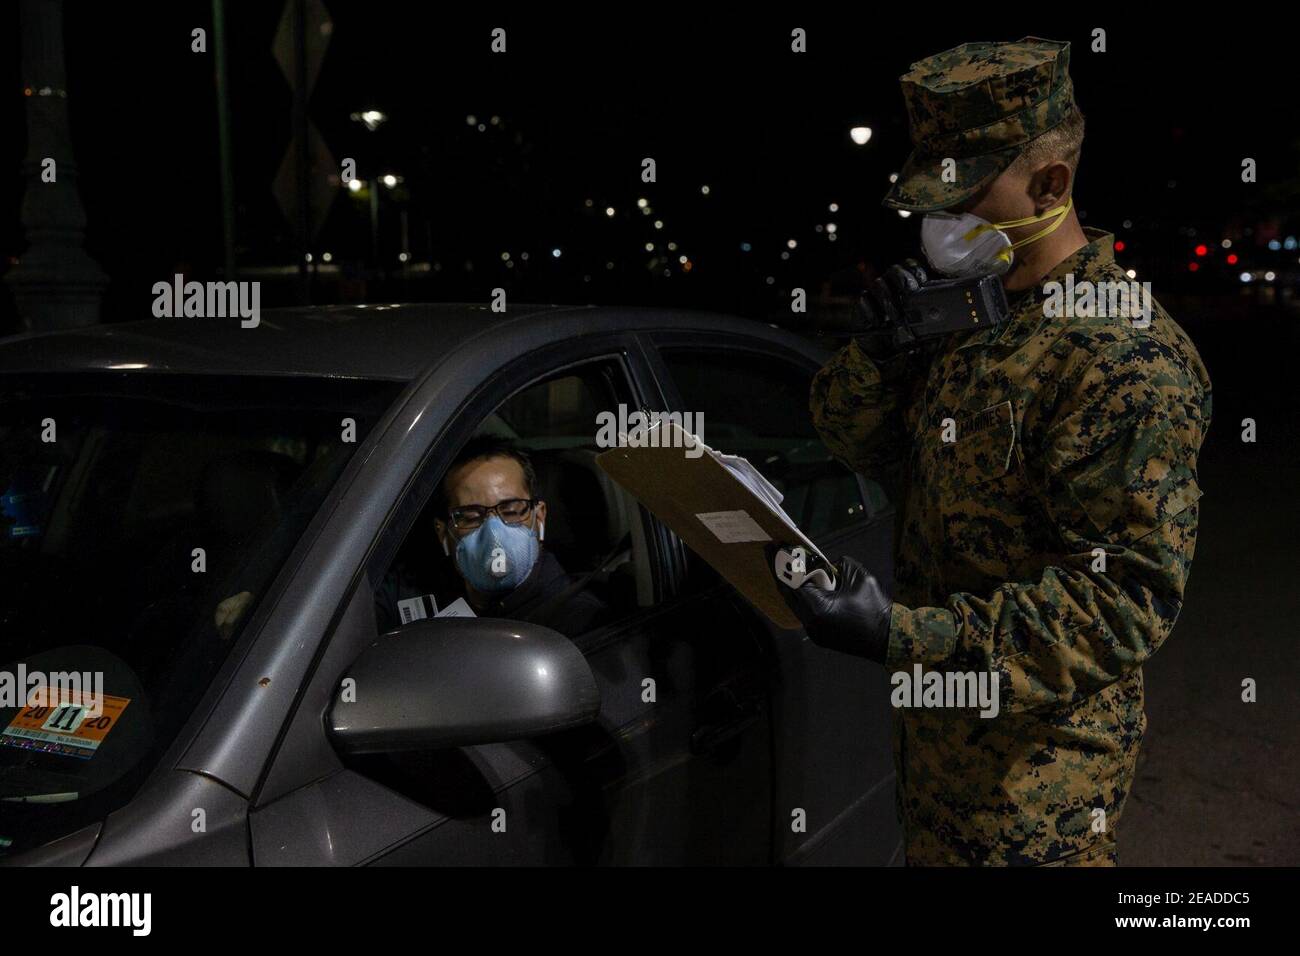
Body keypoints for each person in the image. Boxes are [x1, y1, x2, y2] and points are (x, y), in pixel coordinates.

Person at [789, 37, 1212, 866]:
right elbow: (850, 440)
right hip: (938, 763)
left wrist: (903, 636)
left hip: (1037, 791)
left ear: (1050, 184)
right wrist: (880, 352)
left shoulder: (1122, 355)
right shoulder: (971, 316)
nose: (940, 224)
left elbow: (1123, 603)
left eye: (964, 198)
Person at [376, 435, 610, 637]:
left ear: (539, 517)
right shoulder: (413, 590)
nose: (494, 533)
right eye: (471, 516)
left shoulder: (577, 620)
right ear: (443, 533)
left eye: (511, 510)